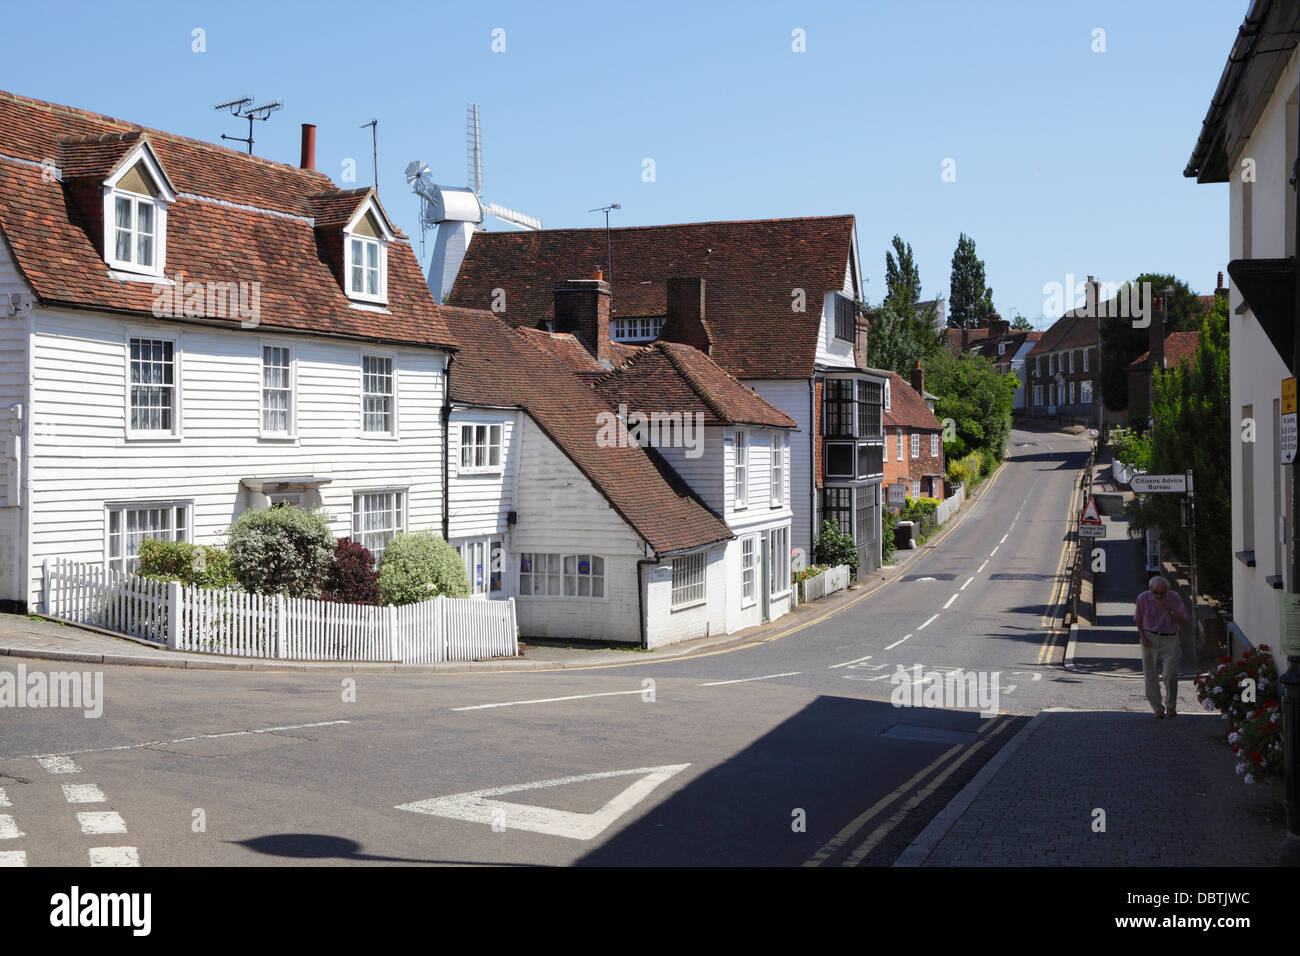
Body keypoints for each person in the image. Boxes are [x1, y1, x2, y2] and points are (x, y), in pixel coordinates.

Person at [1134, 575, 1188, 718]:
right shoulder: (1143, 598)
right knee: (1150, 674)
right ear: (1151, 590)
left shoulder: (1174, 598)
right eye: (1155, 592)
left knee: (1170, 674)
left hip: (1170, 637)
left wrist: (1169, 610)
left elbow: (1183, 620)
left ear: (1167, 591)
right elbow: (1138, 619)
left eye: (1162, 593)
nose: (1158, 595)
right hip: (1149, 636)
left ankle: (1171, 705)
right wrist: (1142, 636)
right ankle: (1158, 708)